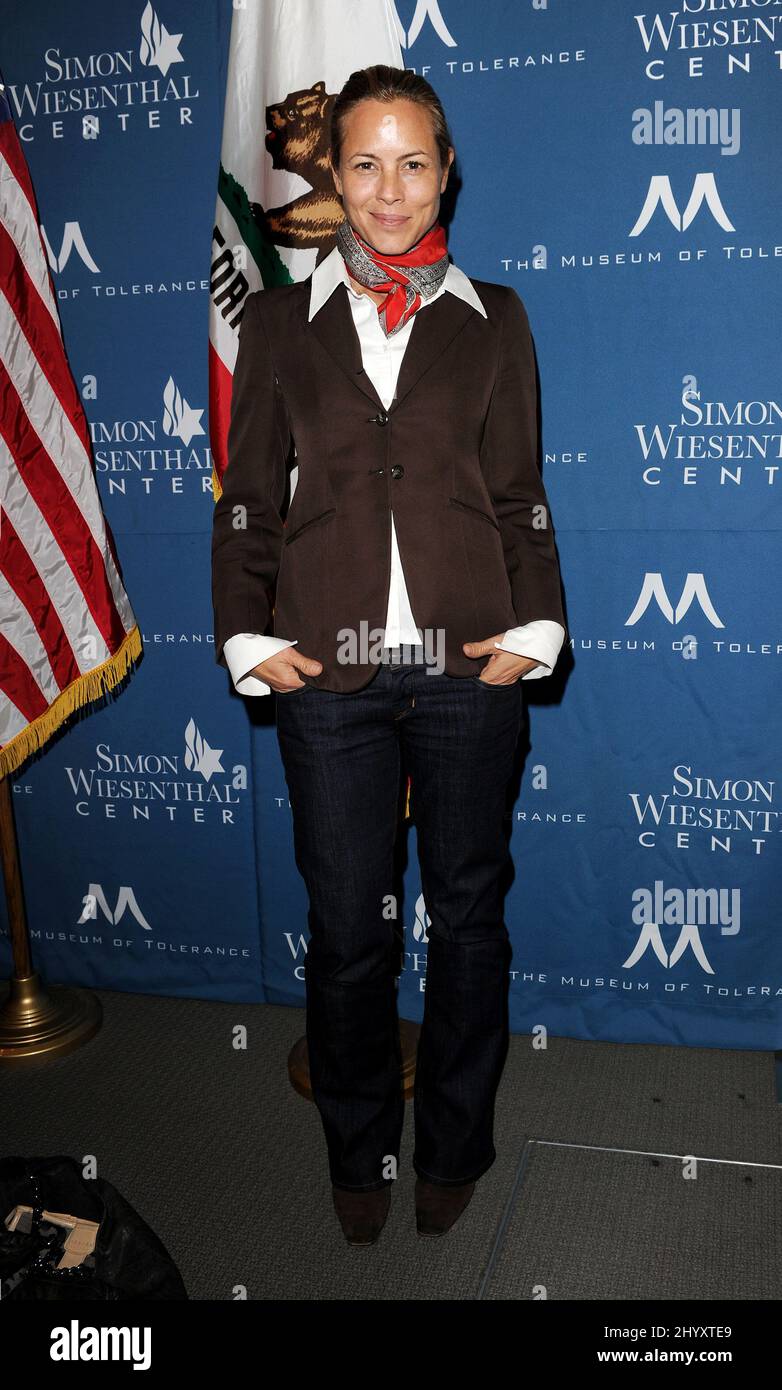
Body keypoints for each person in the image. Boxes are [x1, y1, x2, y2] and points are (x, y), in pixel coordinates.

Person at [211, 65, 567, 1247]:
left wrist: (536, 628)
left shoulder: (495, 317)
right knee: (349, 930)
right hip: (330, 673)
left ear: (446, 167)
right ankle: (356, 1151)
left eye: (412, 160)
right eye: (363, 161)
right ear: (333, 174)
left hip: (472, 668)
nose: (389, 187)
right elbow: (248, 500)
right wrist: (247, 632)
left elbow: (517, 497)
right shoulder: (273, 320)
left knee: (468, 918)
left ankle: (456, 1145)